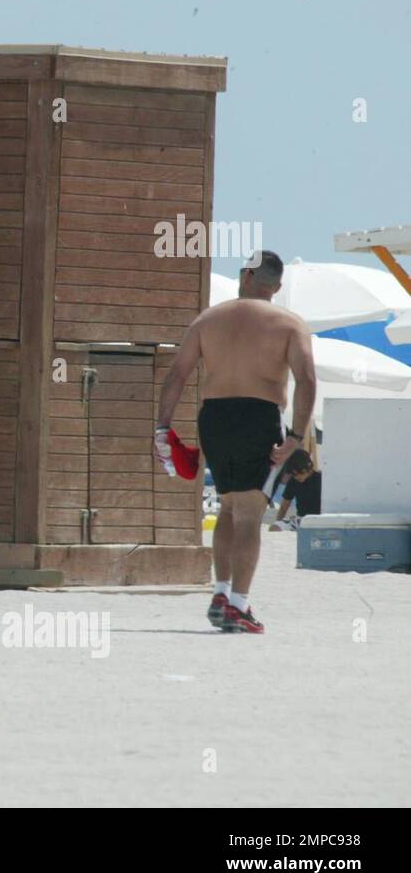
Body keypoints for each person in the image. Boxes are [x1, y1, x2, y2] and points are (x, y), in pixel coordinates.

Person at [155, 250, 318, 634]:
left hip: (213, 417)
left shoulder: (207, 320)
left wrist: (163, 427)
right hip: (256, 417)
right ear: (276, 287)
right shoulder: (290, 324)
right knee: (248, 513)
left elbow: (177, 375)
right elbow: (307, 380)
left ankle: (221, 592)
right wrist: (296, 437)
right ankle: (239, 605)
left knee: (228, 507)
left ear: (244, 276)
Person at [270, 450, 322, 530]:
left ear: (307, 467)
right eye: (294, 474)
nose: (297, 477)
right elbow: (284, 507)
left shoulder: (321, 479)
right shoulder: (293, 482)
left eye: (299, 473)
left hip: (319, 520)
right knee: (275, 528)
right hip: (300, 520)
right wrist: (278, 522)